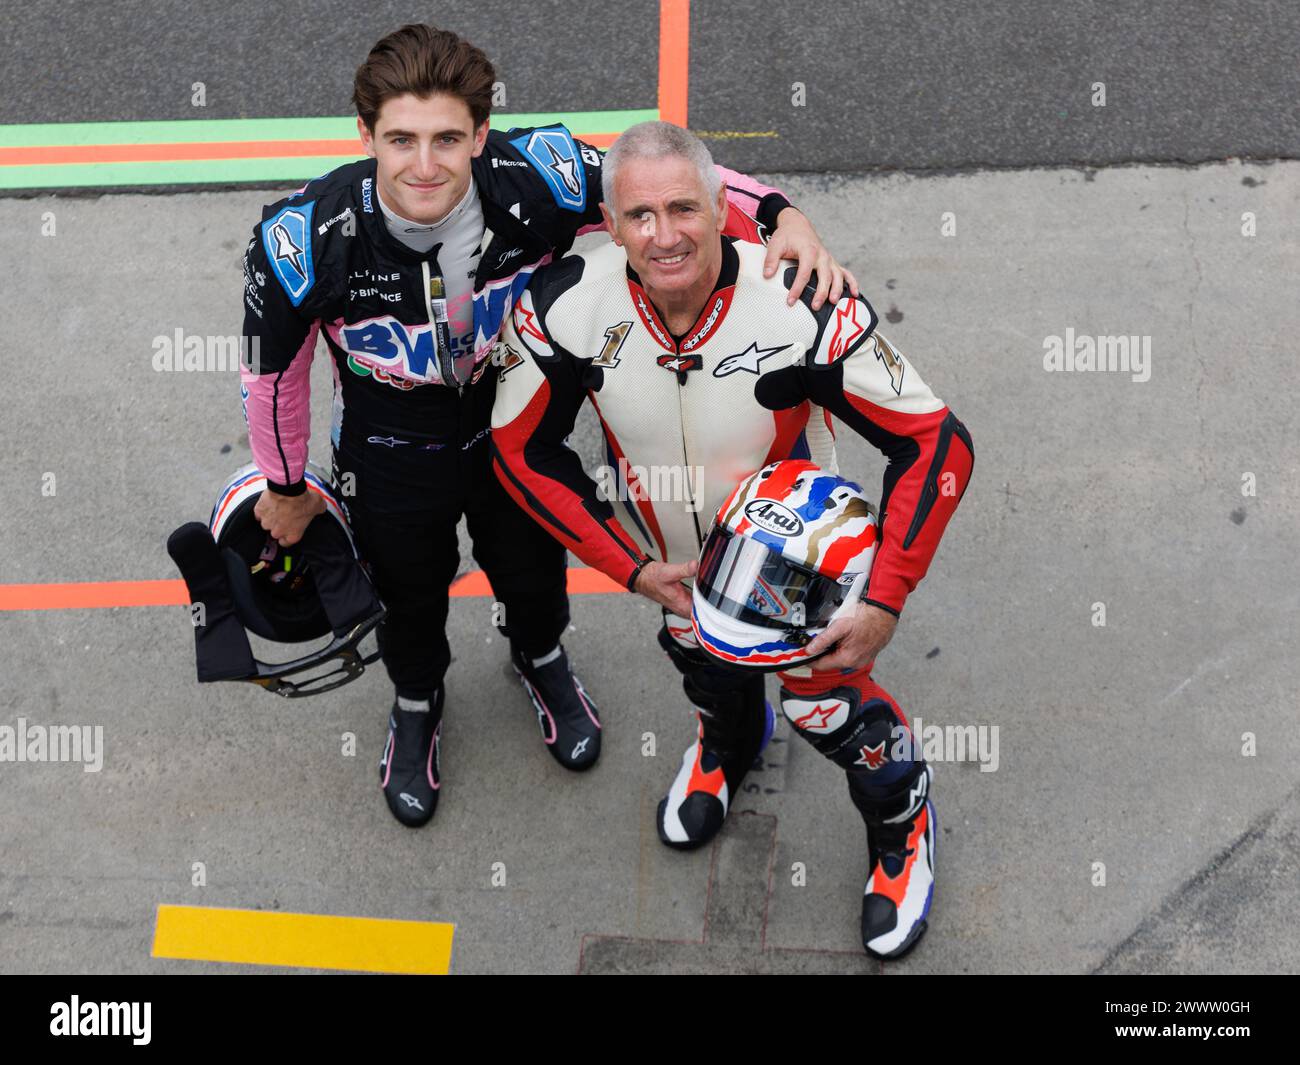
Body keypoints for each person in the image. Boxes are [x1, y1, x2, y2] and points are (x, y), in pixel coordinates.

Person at [239, 25, 855, 828]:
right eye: (401, 140)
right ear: (364, 136)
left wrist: (779, 216)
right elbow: (271, 380)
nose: (425, 165)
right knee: (407, 589)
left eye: (448, 139)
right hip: (390, 435)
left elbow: (659, 188)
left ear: (481, 134)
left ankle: (540, 656)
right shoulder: (299, 241)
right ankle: (418, 699)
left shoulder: (536, 174)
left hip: (512, 412)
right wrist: (285, 490)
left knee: (530, 565)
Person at [489, 121, 973, 958]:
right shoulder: (562, 305)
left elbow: (937, 443)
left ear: (722, 208)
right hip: (672, 569)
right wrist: (632, 567)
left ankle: (903, 817)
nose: (665, 234)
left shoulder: (802, 300)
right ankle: (730, 740)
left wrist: (885, 596)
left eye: (685, 208)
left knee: (828, 705)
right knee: (700, 664)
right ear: (610, 222)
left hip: (794, 570)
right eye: (640, 216)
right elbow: (518, 450)